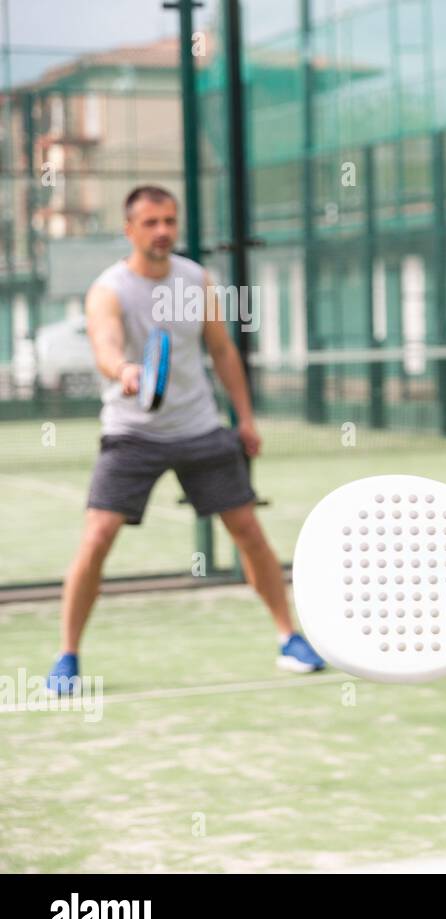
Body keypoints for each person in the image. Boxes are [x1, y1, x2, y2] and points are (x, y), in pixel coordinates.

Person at [47, 185, 326, 694]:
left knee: (247, 529)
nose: (163, 231)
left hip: (199, 426)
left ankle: (290, 638)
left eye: (170, 221)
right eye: (151, 222)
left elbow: (221, 352)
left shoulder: (195, 279)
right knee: (97, 535)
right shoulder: (108, 289)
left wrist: (244, 418)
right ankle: (67, 657)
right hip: (132, 432)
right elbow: (105, 346)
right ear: (129, 229)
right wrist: (125, 369)